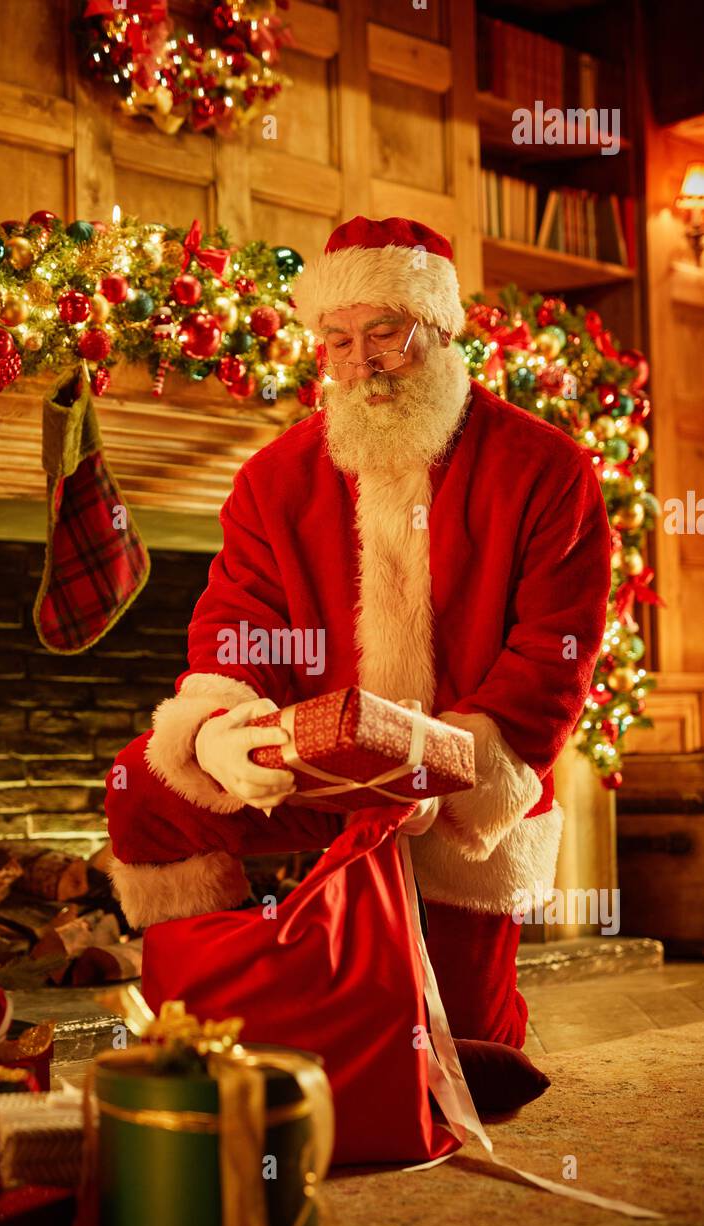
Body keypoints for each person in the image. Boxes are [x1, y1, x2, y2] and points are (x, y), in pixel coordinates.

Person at [105, 216, 612, 1049]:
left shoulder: (547, 468)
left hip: (462, 776)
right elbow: (239, 618)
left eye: (384, 333)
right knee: (150, 784)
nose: (360, 362)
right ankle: (210, 1027)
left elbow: (552, 655)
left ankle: (365, 1010)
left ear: (440, 330)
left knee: (464, 1052)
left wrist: (444, 763)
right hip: (317, 762)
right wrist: (226, 731)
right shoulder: (275, 476)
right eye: (336, 340)